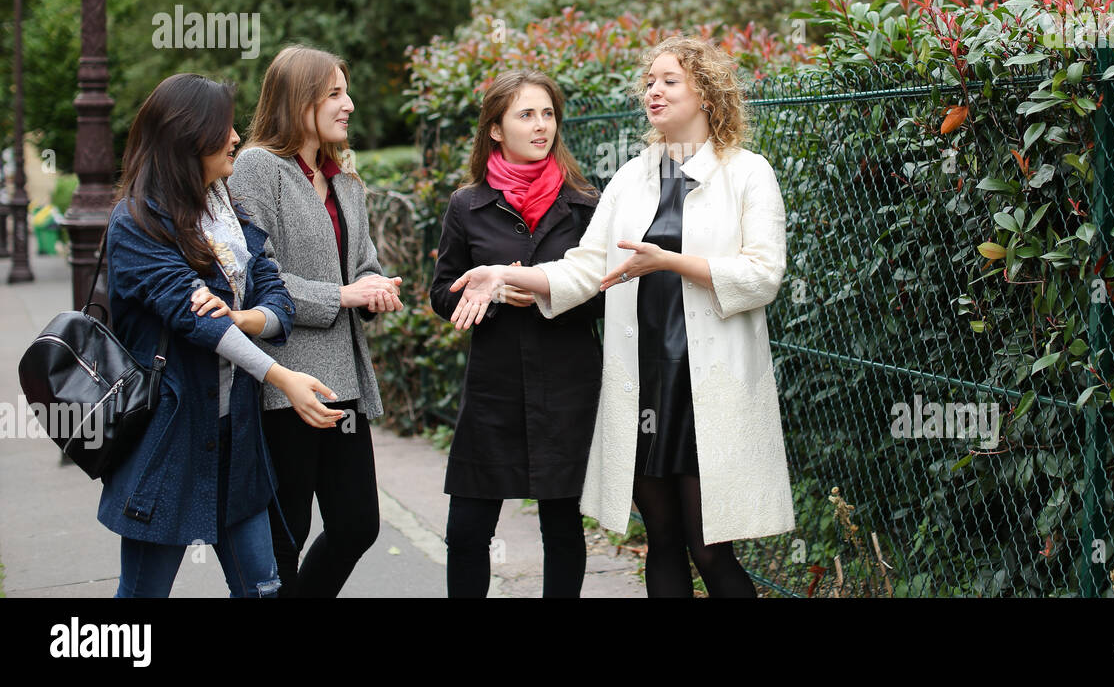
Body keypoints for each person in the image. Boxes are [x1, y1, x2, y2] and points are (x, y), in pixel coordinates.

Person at [450, 36, 795, 597]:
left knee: (710, 547)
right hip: (644, 387)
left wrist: (669, 261)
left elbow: (763, 275)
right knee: (661, 537)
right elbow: (584, 269)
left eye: (669, 81)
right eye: (650, 82)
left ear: (706, 93)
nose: (653, 92)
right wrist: (504, 275)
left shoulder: (748, 173)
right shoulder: (633, 177)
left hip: (708, 387)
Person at [102, 73, 344, 598]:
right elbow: (192, 317)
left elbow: (276, 300)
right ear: (187, 139)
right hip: (169, 438)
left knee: (263, 589)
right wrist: (280, 373)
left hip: (236, 437)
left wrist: (238, 319)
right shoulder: (137, 223)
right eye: (222, 128)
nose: (236, 136)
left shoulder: (228, 214)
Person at [228, 44, 402, 597]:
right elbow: (257, 277)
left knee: (357, 525)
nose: (347, 104)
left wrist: (375, 288)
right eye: (334, 93)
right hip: (284, 384)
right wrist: (345, 294)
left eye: (346, 92)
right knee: (287, 534)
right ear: (297, 100)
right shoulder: (259, 167)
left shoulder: (346, 181)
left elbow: (364, 264)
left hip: (344, 383)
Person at [430, 70, 604, 597]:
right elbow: (443, 294)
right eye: (526, 114)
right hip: (494, 388)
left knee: (562, 524)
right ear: (496, 130)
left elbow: (605, 290)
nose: (541, 125)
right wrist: (494, 298)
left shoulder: (584, 203)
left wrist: (549, 292)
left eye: (548, 113)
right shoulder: (468, 205)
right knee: (466, 530)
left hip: (567, 383)